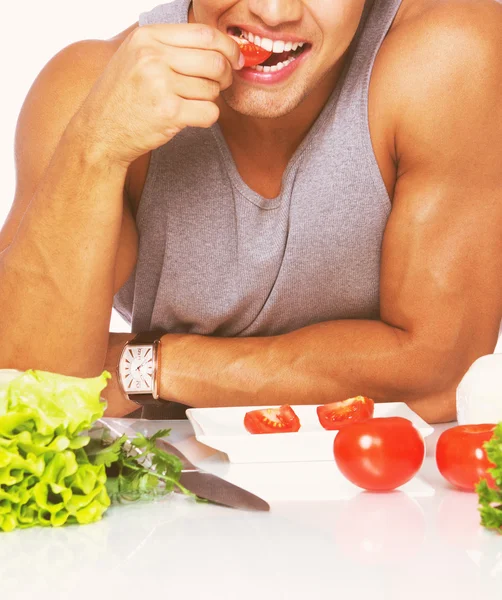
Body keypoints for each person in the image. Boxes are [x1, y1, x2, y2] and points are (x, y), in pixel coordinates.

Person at [0, 0, 500, 423]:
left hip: (388, 501)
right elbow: (30, 395)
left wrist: (152, 365)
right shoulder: (91, 84)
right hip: (161, 509)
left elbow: (444, 376)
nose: (275, 11)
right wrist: (97, 147)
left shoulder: (448, 50)